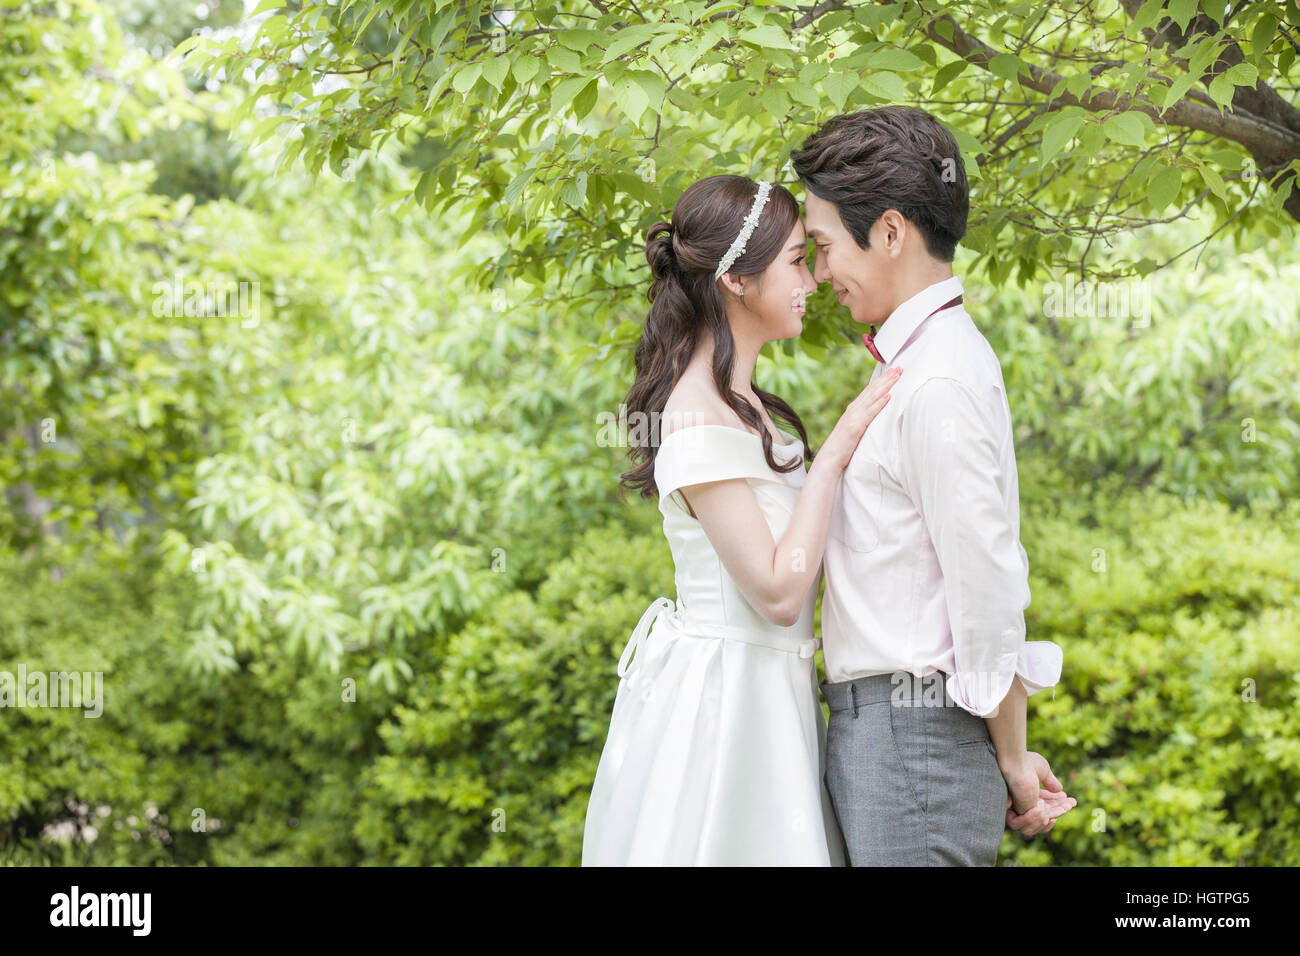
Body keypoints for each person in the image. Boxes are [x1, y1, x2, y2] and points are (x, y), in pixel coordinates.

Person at [581, 174, 901, 865]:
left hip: (774, 695)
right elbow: (780, 594)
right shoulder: (696, 414)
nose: (811, 282)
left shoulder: (744, 404)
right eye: (794, 259)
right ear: (735, 279)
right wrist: (835, 452)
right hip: (727, 707)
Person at [791, 105, 1076, 866]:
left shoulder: (938, 377)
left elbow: (986, 583)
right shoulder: (920, 362)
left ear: (889, 232)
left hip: (912, 742)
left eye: (822, 247)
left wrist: (1013, 758)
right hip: (891, 738)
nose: (818, 274)